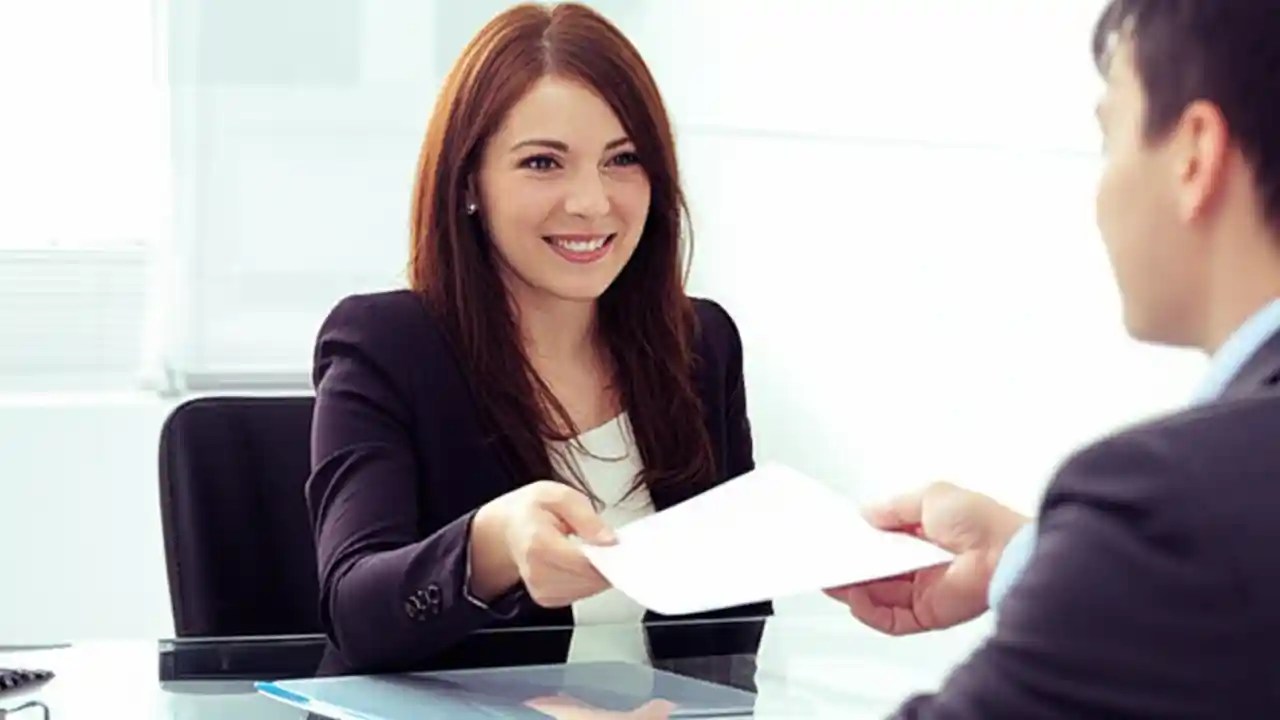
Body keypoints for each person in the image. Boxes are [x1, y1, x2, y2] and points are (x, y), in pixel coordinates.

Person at [826, 0, 1280, 716]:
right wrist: (1037, 559)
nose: (1099, 196)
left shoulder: (1166, 507)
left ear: (1195, 155)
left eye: (1110, 139)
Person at [305, 2, 768, 676]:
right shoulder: (386, 346)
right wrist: (492, 545)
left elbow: (732, 620)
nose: (590, 201)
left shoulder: (702, 344)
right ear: (469, 183)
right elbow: (355, 613)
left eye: (623, 159)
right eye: (544, 163)